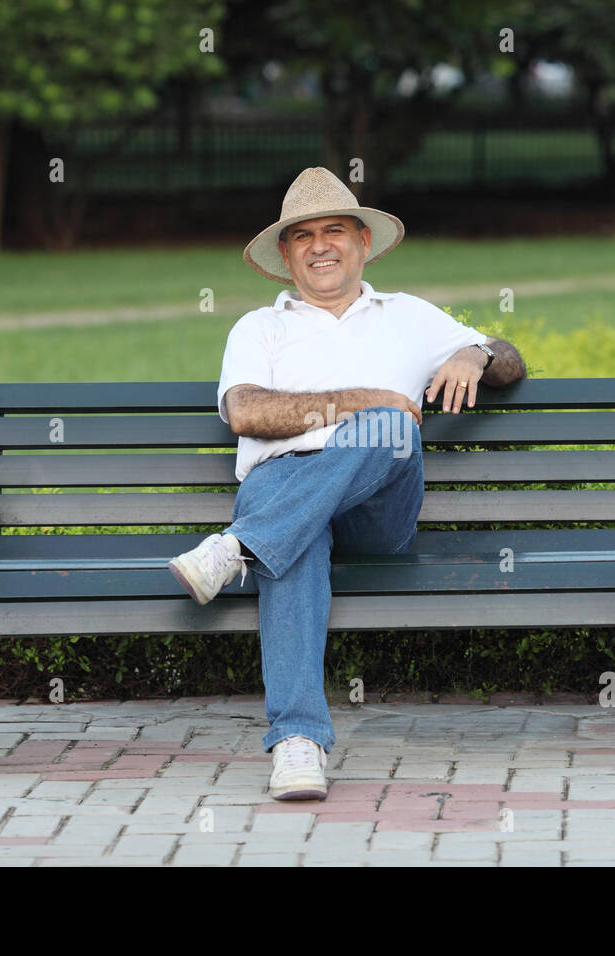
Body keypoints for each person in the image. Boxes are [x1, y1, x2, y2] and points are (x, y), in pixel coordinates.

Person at [167, 167, 526, 800]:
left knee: (391, 428)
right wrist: (364, 399)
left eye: (335, 230)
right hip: (281, 491)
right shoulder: (261, 327)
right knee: (301, 537)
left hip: (375, 515)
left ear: (363, 242)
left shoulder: (407, 316)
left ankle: (240, 548)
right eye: (303, 235)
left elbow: (510, 357)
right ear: (286, 253)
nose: (320, 245)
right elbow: (247, 412)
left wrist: (476, 353)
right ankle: (298, 744)